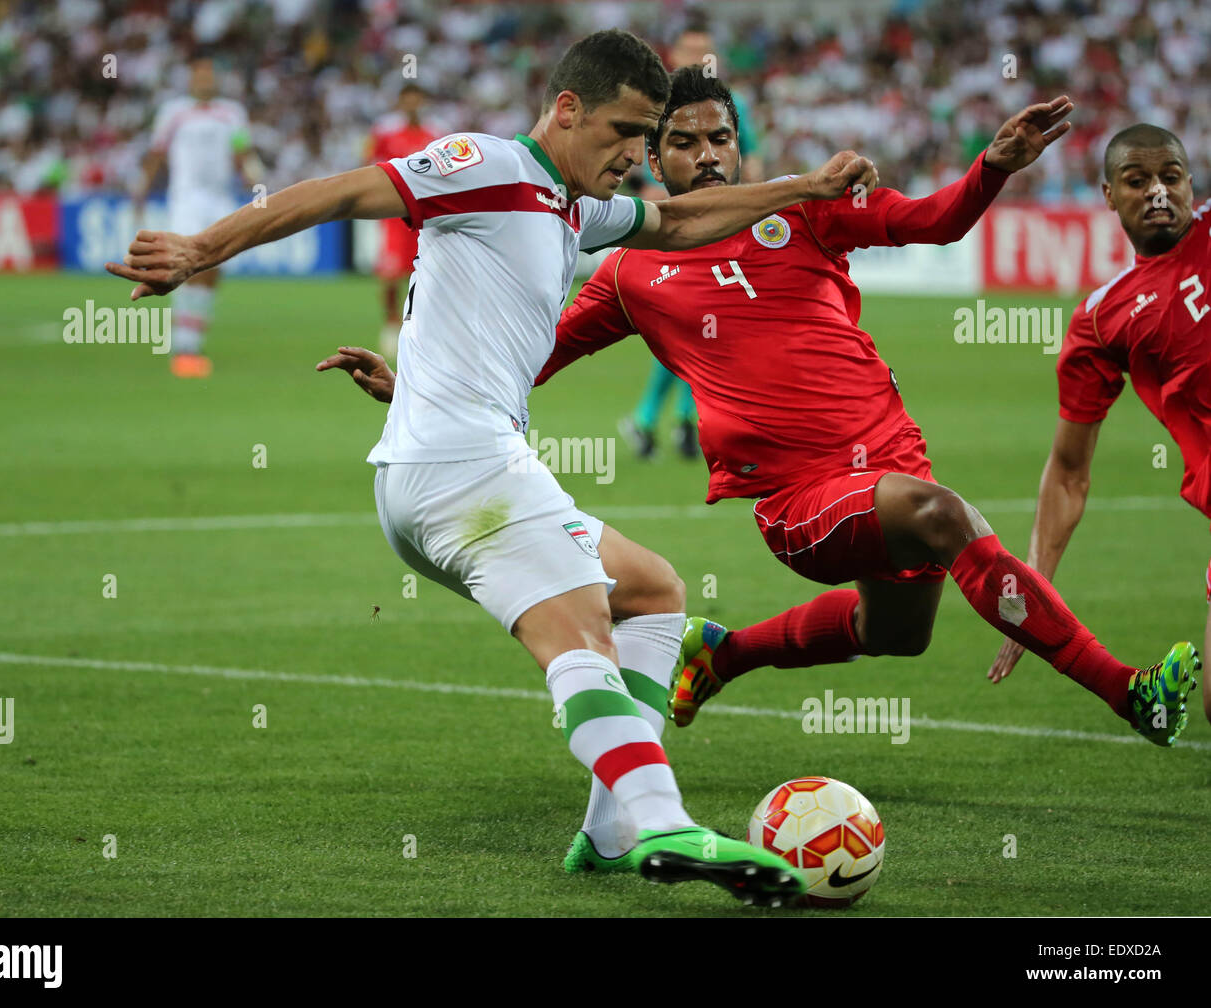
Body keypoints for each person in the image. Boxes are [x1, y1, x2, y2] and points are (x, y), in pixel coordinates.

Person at [329, 70, 1198, 873]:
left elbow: (931, 221)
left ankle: (721, 653)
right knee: (943, 516)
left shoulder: (807, 214)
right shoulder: (632, 269)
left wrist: (992, 167)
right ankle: (1132, 695)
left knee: (899, 631)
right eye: (684, 142)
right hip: (799, 502)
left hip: (888, 461)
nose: (706, 156)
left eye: (720, 139)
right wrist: (410, 386)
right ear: (650, 156)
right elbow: (529, 357)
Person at [107, 30, 879, 906]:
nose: (637, 155)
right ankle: (661, 820)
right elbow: (341, 192)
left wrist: (805, 189)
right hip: (466, 471)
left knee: (652, 590)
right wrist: (203, 249)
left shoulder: (573, 207)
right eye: (625, 131)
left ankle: (609, 831)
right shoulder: (483, 164)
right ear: (566, 110)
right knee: (582, 632)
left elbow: (686, 219)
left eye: (648, 134)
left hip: (445, 471)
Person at [987, 123, 1209, 728]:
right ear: (1109, 195)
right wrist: (1035, 592)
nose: (1159, 192)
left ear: (1191, 183)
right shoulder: (1103, 319)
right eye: (1138, 181)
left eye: (1171, 177)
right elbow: (1067, 472)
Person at [619, 21, 762, 461]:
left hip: (716, 225)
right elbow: (631, 162)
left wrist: (749, 205)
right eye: (691, 51)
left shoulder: (728, 106)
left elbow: (751, 160)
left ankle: (664, 420)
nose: (699, 59)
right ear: (674, 55)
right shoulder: (654, 106)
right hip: (667, 226)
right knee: (688, 321)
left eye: (706, 52)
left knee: (696, 320)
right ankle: (675, 418)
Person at [132, 57, 263, 378]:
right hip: (186, 199)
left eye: (209, 75)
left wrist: (258, 184)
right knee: (186, 263)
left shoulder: (232, 113)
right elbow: (157, 154)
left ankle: (194, 339)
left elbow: (243, 153)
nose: (204, 81)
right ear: (191, 80)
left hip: (220, 199)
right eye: (199, 75)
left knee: (213, 267)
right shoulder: (173, 113)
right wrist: (141, 190)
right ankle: (185, 346)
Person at [366, 84, 437, 360]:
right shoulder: (385, 133)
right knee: (391, 275)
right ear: (401, 102)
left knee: (424, 272)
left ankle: (419, 327)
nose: (412, 105)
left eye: (417, 100)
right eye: (407, 100)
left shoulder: (435, 133)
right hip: (395, 216)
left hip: (425, 217)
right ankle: (391, 323)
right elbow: (369, 164)